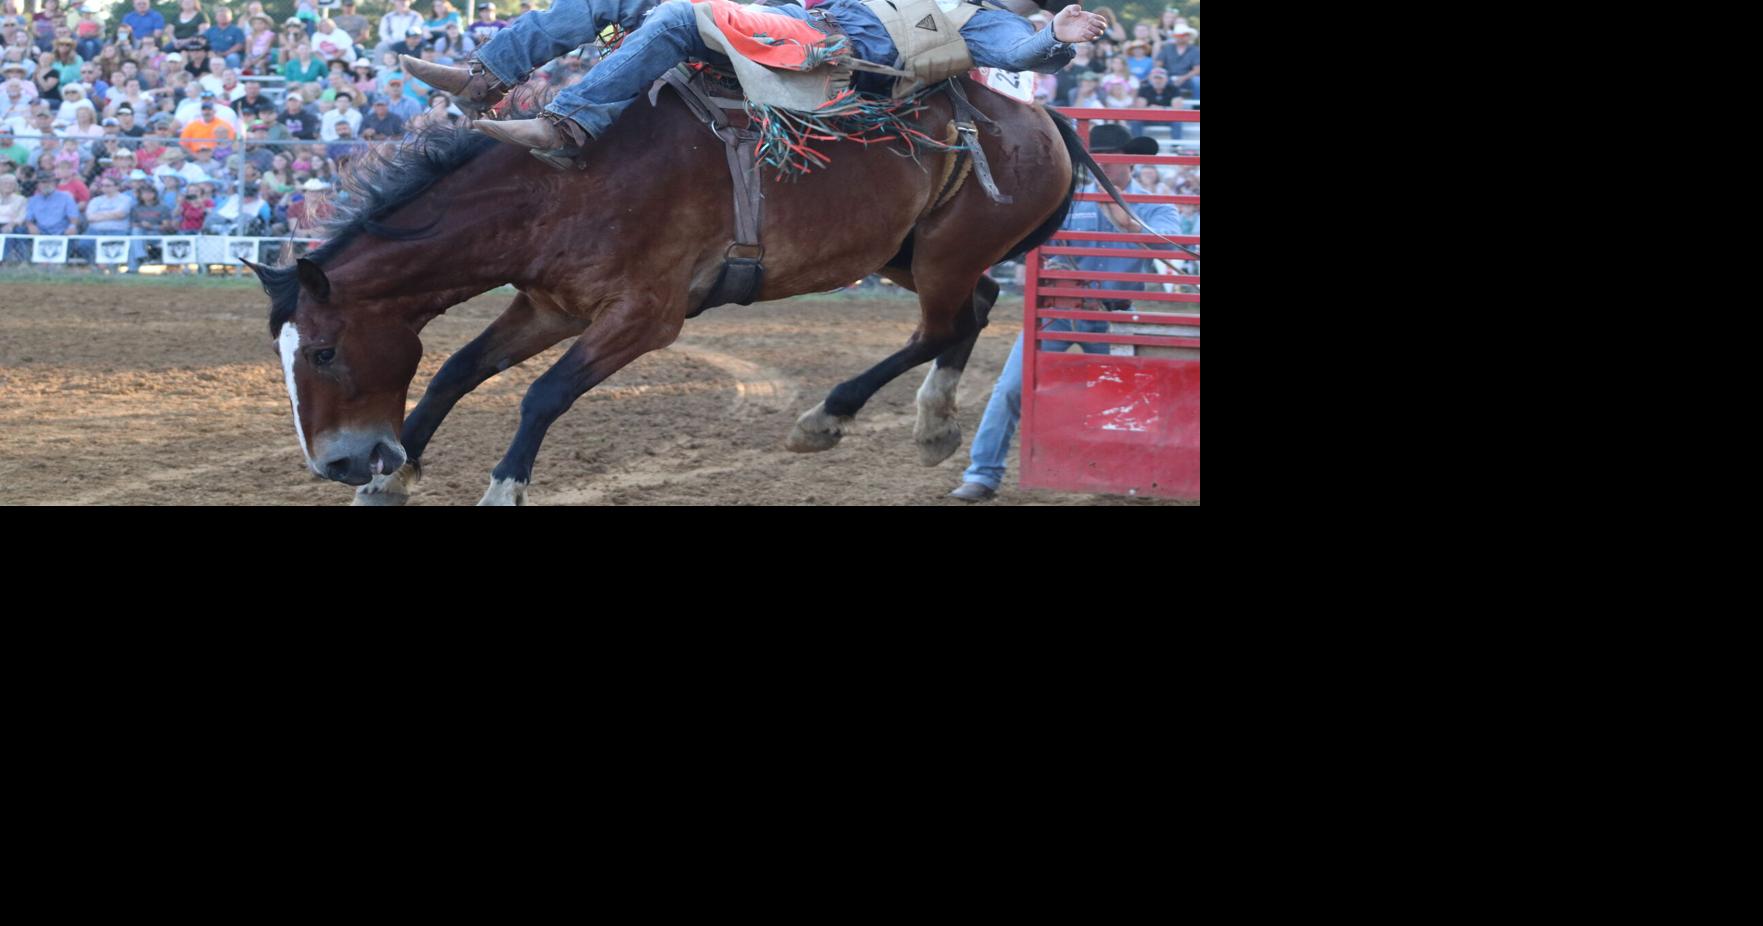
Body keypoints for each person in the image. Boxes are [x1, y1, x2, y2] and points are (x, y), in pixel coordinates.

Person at [404, 0, 1107, 157]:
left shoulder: (980, 19)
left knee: (680, 18)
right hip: (777, 24)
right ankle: (482, 73)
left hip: (829, 63)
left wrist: (1054, 37)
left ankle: (568, 122)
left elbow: (1022, 53)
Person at [948, 125, 1180, 502]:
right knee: (1010, 389)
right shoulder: (1069, 199)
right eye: (1098, 158)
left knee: (1122, 402)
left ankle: (1126, 476)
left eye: (1112, 158)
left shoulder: (1155, 204)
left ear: (1130, 161)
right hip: (1058, 309)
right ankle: (983, 475)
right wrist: (1056, 266)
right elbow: (1037, 243)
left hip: (1114, 318)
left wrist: (1123, 217)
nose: (1103, 165)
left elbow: (1169, 249)